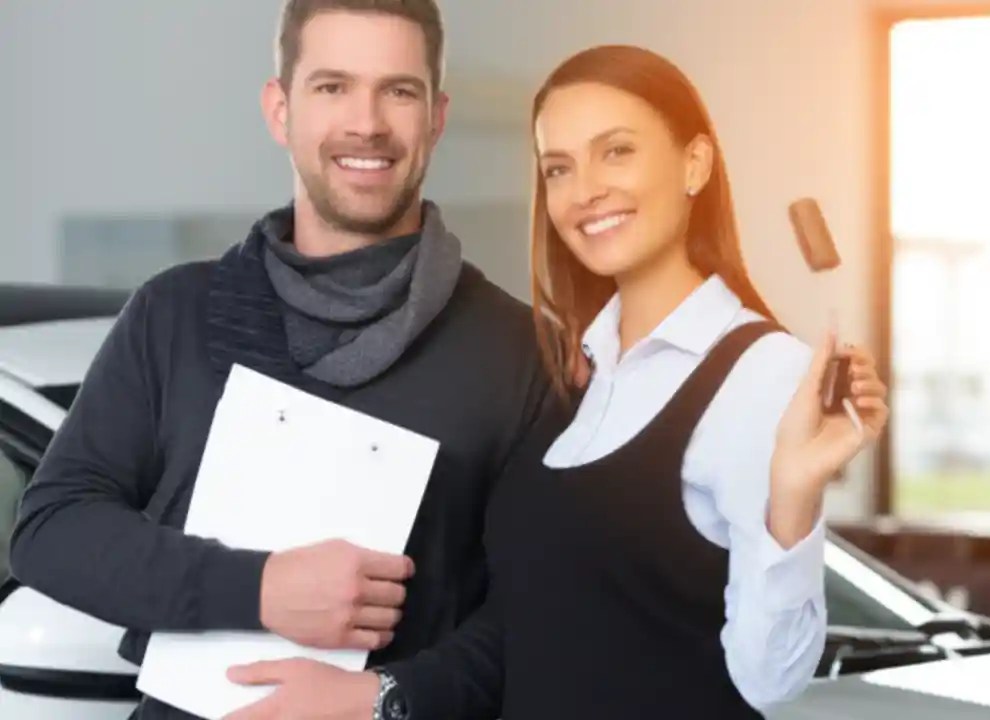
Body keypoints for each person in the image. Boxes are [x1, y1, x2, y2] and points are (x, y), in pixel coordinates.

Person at [225, 44, 889, 719]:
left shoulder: (763, 374)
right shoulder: (573, 371)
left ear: (696, 163)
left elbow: (770, 678)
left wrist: (795, 496)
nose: (586, 189)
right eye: (559, 168)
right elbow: (524, 625)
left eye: (617, 151)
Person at [7, 2, 561, 718]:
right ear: (280, 110)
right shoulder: (174, 314)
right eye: (332, 87)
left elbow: (549, 610)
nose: (367, 122)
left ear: (437, 116)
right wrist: (263, 588)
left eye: (399, 90)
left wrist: (380, 697)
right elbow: (51, 531)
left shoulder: (520, 353)